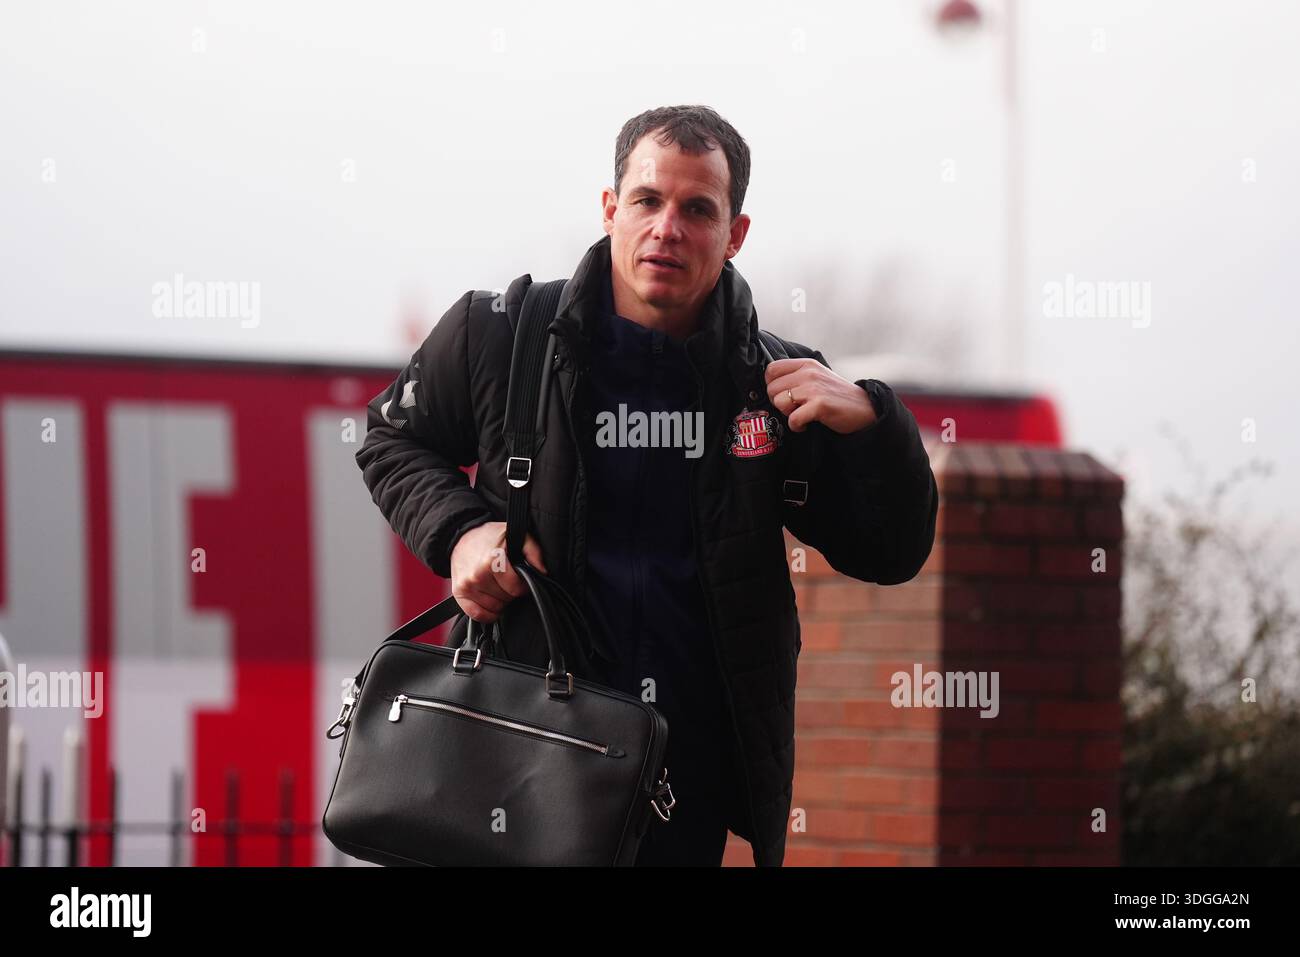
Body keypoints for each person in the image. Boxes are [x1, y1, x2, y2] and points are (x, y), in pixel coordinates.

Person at [356, 104, 939, 866]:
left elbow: (891, 550)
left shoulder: (777, 384)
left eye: (698, 209)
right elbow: (391, 436)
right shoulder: (500, 334)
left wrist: (873, 423)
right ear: (610, 210)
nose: (668, 227)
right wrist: (462, 532)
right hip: (515, 760)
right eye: (647, 200)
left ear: (735, 234)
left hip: (677, 790)